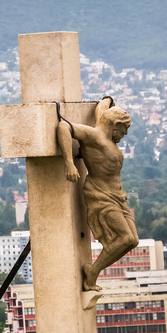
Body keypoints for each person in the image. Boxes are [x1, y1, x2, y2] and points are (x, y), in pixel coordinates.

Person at [55, 96, 138, 291]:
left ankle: (94, 269)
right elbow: (63, 127)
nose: (124, 135)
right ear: (114, 125)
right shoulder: (94, 136)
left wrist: (108, 99)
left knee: (133, 240)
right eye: (123, 130)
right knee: (125, 238)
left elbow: (102, 108)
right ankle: (92, 272)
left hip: (118, 197)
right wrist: (69, 163)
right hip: (102, 196)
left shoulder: (106, 129)